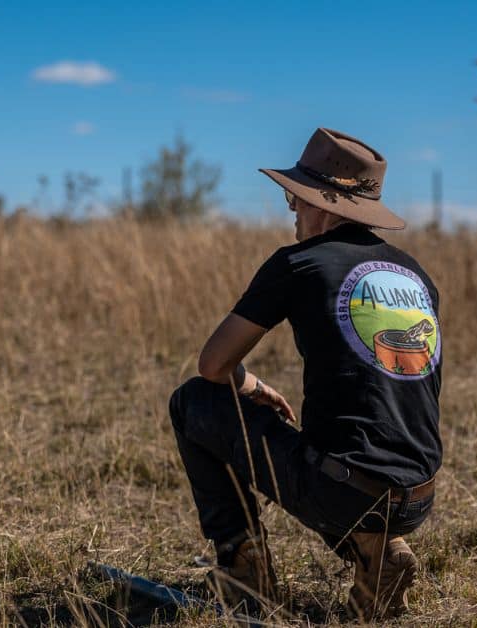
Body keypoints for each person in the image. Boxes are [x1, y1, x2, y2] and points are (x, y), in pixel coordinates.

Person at [168, 128, 443, 620]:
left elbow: (212, 365)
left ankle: (244, 573)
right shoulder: (414, 273)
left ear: (327, 204)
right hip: (418, 497)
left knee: (193, 402)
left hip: (344, 490)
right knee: (350, 457)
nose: (291, 207)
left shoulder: (297, 264)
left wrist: (250, 387)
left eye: (297, 196)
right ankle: (380, 548)